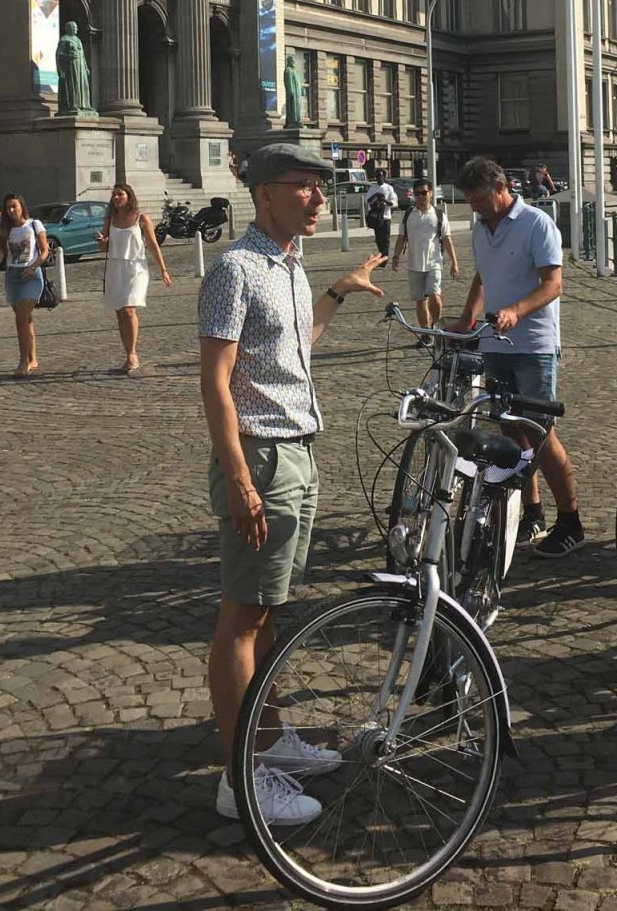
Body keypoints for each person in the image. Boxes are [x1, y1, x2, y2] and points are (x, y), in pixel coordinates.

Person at [198, 143, 385, 824]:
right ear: (265, 193)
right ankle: (240, 781)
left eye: (320, 188)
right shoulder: (235, 270)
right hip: (263, 458)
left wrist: (338, 290)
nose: (317, 198)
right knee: (242, 618)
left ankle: (271, 743)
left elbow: (294, 351)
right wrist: (242, 477)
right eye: (304, 187)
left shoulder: (291, 267)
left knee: (269, 611)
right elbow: (215, 385)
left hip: (298, 452)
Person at [454, 156, 585, 556]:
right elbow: (482, 275)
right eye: (470, 201)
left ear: (500, 188)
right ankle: (533, 513)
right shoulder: (481, 228)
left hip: (533, 345)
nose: (474, 208)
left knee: (542, 433)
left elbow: (554, 285)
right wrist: (466, 318)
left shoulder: (536, 224)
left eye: (478, 199)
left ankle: (571, 521)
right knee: (511, 432)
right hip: (496, 344)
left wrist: (516, 310)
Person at [98, 183, 171, 375]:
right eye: (114, 195)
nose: (116, 198)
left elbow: (153, 245)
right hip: (115, 267)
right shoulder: (110, 219)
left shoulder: (141, 218)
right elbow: (103, 248)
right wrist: (102, 242)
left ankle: (132, 354)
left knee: (129, 309)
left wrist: (163, 269)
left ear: (129, 196)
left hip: (136, 268)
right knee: (120, 312)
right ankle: (128, 353)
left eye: (120, 194)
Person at [0, 194, 50, 377]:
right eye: (8, 208)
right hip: (12, 275)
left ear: (22, 206)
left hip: (31, 275)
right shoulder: (6, 229)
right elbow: (1, 252)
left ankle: (23, 362)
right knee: (25, 320)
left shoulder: (34, 225)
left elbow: (45, 252)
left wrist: (34, 266)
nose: (11, 211)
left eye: (14, 206)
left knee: (21, 318)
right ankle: (32, 358)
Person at [391, 179, 459, 328]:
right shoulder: (409, 215)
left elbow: (447, 239)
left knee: (435, 295)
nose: (421, 196)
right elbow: (401, 237)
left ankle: (436, 326)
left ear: (431, 193)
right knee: (420, 301)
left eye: (424, 193)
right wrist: (395, 257)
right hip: (414, 264)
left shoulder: (438, 215)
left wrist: (454, 262)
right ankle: (426, 333)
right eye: (417, 193)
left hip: (434, 262)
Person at [364, 168, 397, 259]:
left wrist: (385, 201)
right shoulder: (372, 187)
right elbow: (367, 200)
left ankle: (384, 257)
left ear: (384, 177)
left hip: (386, 217)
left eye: (381, 176)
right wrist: (375, 197)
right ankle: (381, 255)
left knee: (385, 239)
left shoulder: (388, 188)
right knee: (378, 239)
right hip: (376, 217)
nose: (379, 178)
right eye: (377, 176)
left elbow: (393, 203)